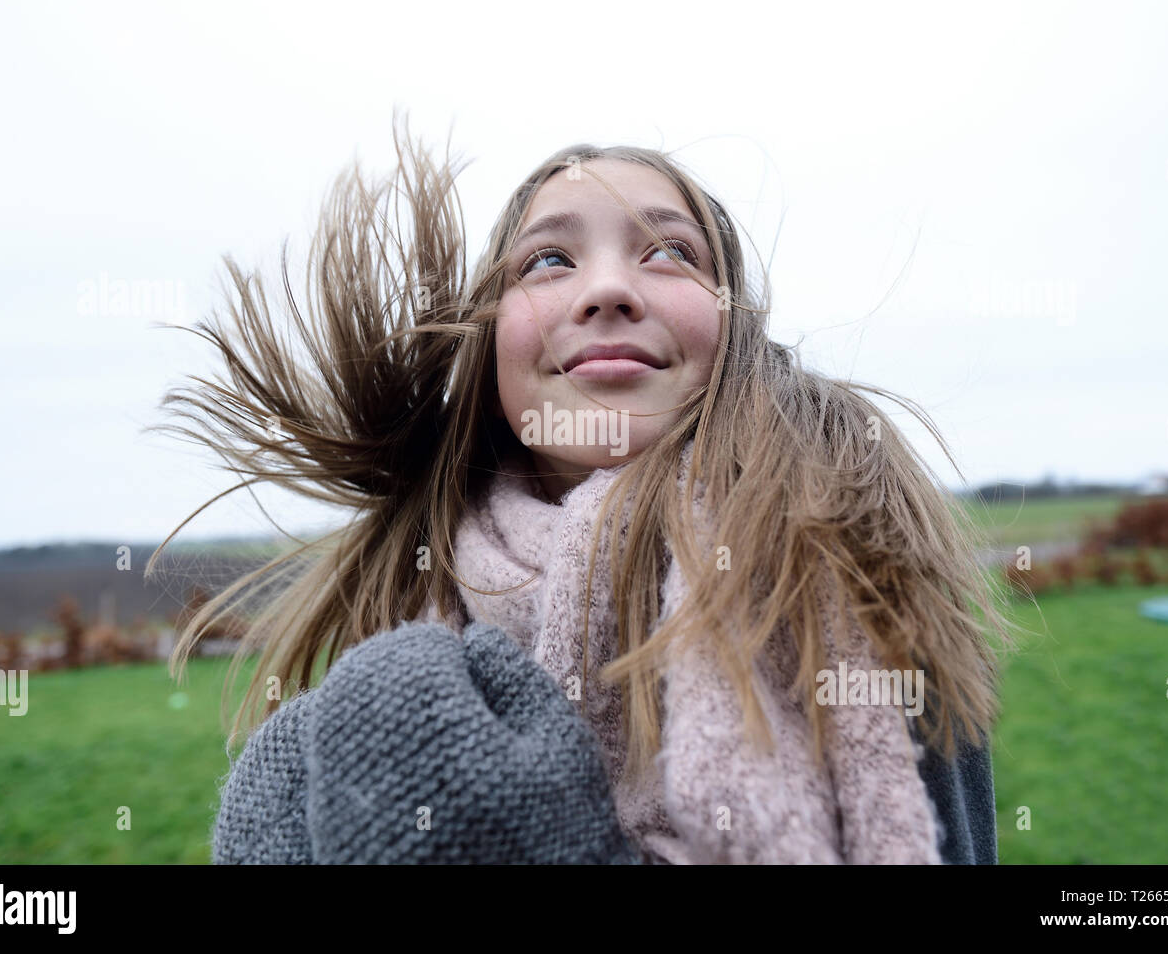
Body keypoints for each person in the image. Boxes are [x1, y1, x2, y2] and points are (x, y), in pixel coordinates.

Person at [151, 111, 1022, 864]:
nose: (608, 288)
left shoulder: (838, 548)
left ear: (734, 325)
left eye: (671, 251)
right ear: (490, 344)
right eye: (549, 261)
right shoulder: (409, 601)